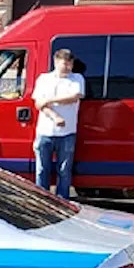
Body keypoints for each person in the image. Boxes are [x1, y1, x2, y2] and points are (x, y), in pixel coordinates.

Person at [31, 48, 86, 199]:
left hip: (67, 133)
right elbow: (38, 104)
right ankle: (42, 200)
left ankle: (62, 200)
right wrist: (55, 116)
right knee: (42, 169)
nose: (68, 67)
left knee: (64, 170)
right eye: (65, 63)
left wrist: (50, 100)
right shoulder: (44, 79)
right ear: (56, 62)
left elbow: (75, 97)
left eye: (70, 63)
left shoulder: (77, 78)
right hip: (45, 132)